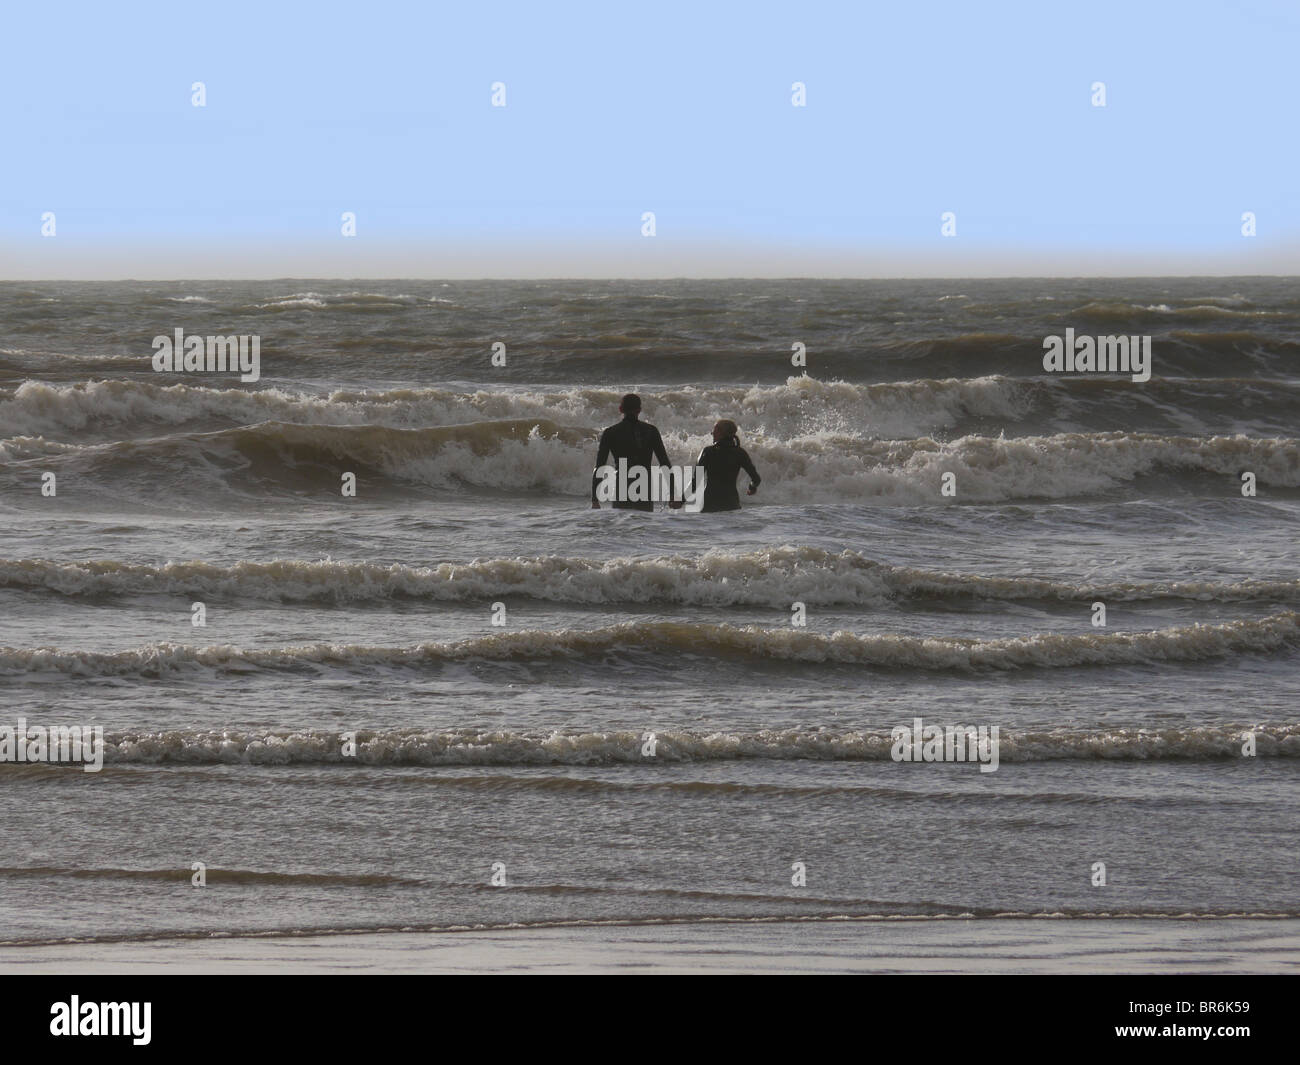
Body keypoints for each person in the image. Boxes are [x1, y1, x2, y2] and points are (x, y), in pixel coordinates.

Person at [591, 394, 676, 510]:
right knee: (643, 526)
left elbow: (600, 466)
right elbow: (665, 463)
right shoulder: (651, 431)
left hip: (622, 489)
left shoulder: (610, 432)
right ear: (639, 410)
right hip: (644, 490)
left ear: (620, 409)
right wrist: (672, 493)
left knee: (622, 526)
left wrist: (595, 500)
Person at [691, 419, 760, 512]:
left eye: (714, 430)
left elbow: (696, 482)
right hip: (732, 505)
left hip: (710, 506)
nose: (712, 433)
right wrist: (752, 487)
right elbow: (756, 479)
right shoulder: (740, 453)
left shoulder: (708, 452)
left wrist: (680, 500)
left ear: (720, 432)